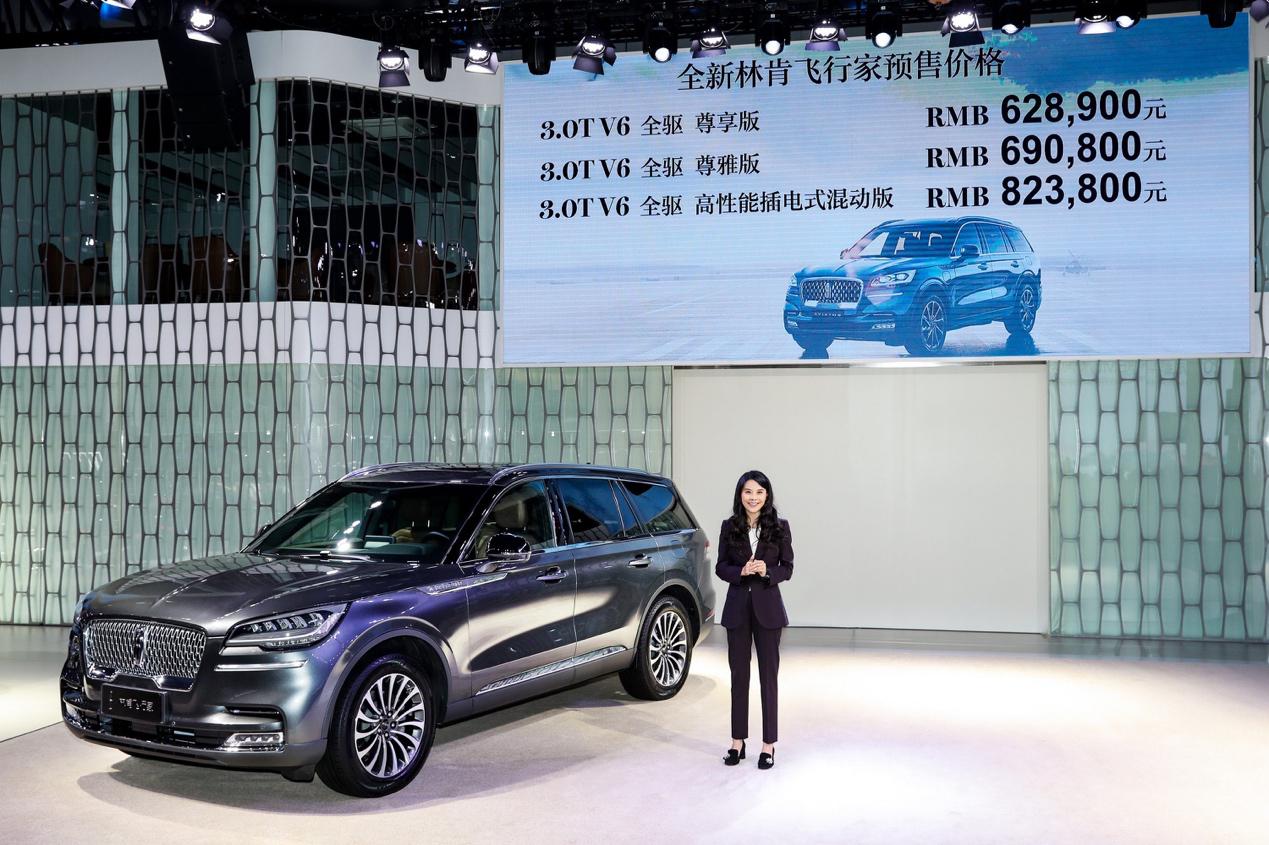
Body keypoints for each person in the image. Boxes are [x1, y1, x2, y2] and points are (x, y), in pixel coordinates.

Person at [715, 469, 793, 771]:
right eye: (748, 492)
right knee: (739, 678)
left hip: (768, 611)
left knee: (768, 679)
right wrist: (741, 572)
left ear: (767, 495)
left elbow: (787, 567)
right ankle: (738, 742)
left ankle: (768, 744)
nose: (753, 497)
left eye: (759, 492)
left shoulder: (780, 527)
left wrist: (767, 572)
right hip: (737, 610)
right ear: (740, 495)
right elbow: (721, 566)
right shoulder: (729, 526)